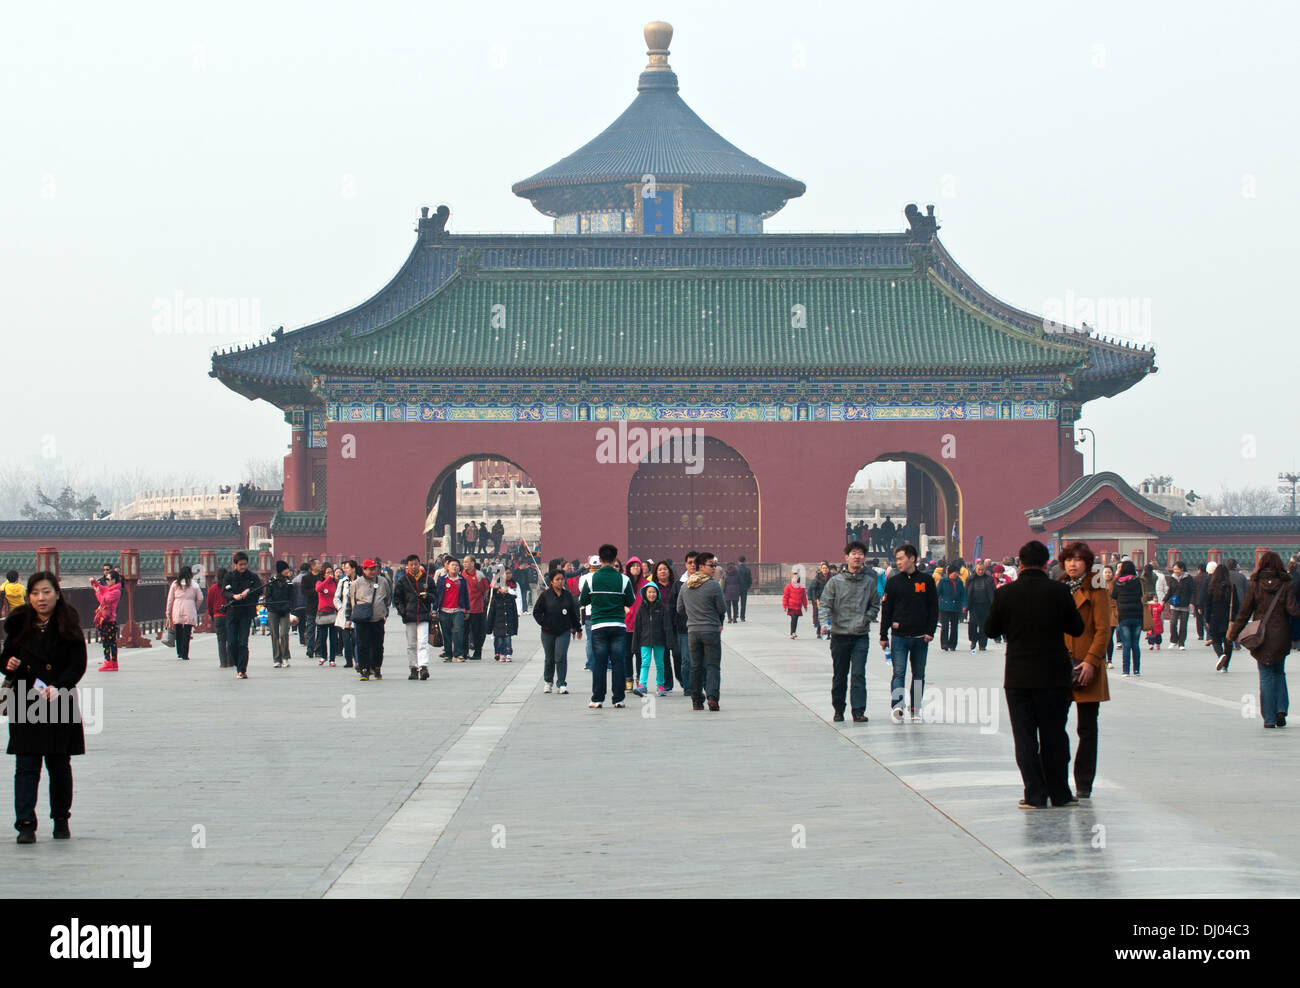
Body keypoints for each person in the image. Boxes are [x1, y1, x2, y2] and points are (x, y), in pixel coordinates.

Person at [983, 540, 1085, 809]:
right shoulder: (1060, 591)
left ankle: (1035, 795)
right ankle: (1060, 793)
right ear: (1045, 563)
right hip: (1054, 675)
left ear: (1020, 562)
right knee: (1054, 735)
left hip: (1018, 676)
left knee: (1025, 738)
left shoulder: (1006, 593)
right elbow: (1077, 628)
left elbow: (990, 630)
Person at [2, 571, 87, 843]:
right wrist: (8, 663)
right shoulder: (18, 624)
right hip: (25, 700)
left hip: (58, 700)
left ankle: (61, 818)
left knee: (59, 764)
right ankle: (25, 823)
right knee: (26, 765)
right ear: (29, 596)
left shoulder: (69, 624)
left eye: (46, 592)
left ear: (57, 594)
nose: (41, 598)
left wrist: (60, 686)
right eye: (36, 593)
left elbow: (78, 664)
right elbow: (5, 657)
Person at [1227, 550, 1300, 729]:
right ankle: (1281, 709)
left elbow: (1244, 612)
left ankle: (1269, 718)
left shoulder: (1255, 584)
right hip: (1281, 634)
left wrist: (1233, 633)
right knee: (1279, 672)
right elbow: (1293, 611)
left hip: (1261, 636)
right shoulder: (1286, 584)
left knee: (1265, 675)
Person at [1060, 542, 1110, 800]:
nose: (1072, 564)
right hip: (1059, 665)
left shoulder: (1097, 588)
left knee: (1087, 728)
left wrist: (1091, 661)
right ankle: (1057, 779)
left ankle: (1083, 783)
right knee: (1055, 726)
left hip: (1086, 665)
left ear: (1087, 563)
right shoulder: (1057, 587)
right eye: (1069, 559)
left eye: (1078, 560)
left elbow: (1103, 629)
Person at [820, 541, 880, 723]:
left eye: (860, 553)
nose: (857, 556)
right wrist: (825, 623)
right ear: (846, 557)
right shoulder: (835, 582)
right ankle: (838, 709)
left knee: (858, 674)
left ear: (864, 557)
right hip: (840, 635)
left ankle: (858, 711)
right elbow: (825, 604)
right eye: (853, 553)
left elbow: (875, 605)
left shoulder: (869, 582)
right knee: (840, 674)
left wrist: (866, 617)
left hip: (860, 635)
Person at [880, 544, 938, 724]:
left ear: (912, 558)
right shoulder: (893, 582)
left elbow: (933, 608)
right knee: (899, 673)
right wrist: (883, 635)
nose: (898, 563)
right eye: (896, 559)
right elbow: (887, 610)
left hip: (921, 637)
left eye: (900, 559)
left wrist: (930, 631)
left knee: (919, 674)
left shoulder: (926, 581)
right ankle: (898, 706)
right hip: (899, 637)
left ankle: (916, 709)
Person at [580, 544, 636, 709]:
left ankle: (597, 698)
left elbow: (583, 601)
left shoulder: (590, 579)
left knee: (600, 663)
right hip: (618, 625)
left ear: (600, 558)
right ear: (615, 558)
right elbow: (630, 602)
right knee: (618, 662)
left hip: (598, 625)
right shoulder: (623, 579)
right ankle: (618, 699)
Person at [676, 551, 727, 711]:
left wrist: (693, 615)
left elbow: (679, 609)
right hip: (711, 630)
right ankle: (712, 697)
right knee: (712, 665)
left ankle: (696, 701)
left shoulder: (686, 585)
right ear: (701, 566)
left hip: (693, 632)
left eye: (714, 565)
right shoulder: (713, 585)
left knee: (696, 666)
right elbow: (722, 608)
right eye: (711, 565)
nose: (714, 568)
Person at [534, 569, 580, 693]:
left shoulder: (567, 596)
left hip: (563, 631)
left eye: (562, 579)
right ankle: (548, 681)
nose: (560, 582)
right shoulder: (545, 596)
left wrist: (578, 628)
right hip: (548, 632)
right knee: (549, 658)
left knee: (560, 656)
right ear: (552, 582)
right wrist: (544, 623)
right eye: (557, 580)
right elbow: (536, 612)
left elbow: (572, 614)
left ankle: (561, 683)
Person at [222, 552, 263, 680]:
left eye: (245, 564)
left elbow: (260, 590)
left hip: (246, 613)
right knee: (232, 643)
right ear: (235, 564)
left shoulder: (252, 577)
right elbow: (225, 591)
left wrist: (248, 591)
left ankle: (242, 670)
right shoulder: (229, 577)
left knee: (243, 643)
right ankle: (237, 665)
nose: (243, 567)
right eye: (241, 564)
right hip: (232, 612)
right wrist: (234, 596)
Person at [393, 555, 434, 680]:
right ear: (407, 566)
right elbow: (397, 598)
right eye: (411, 565)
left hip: (423, 614)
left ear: (419, 564)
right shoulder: (403, 580)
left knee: (423, 642)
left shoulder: (427, 580)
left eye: (416, 564)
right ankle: (413, 667)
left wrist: (428, 597)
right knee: (411, 644)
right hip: (409, 615)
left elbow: (435, 596)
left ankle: (423, 666)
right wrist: (403, 611)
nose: (414, 567)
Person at [350, 559, 391, 680]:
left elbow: (388, 598)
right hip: (362, 619)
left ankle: (376, 667)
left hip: (377, 619)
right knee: (362, 645)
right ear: (364, 569)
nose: (373, 571)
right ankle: (364, 669)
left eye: (374, 568)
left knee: (378, 645)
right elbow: (352, 600)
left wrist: (383, 611)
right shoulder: (356, 583)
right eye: (370, 569)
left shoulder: (383, 581)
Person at [631, 582, 673, 696]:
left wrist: (669, 642)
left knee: (660, 664)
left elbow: (667, 626)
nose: (651, 594)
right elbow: (637, 628)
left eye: (654, 592)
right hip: (645, 641)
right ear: (645, 594)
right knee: (645, 663)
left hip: (660, 641)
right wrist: (635, 645)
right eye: (649, 592)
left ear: (657, 594)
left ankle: (660, 685)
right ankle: (642, 685)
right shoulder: (641, 609)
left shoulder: (662, 608)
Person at [1111, 560, 1145, 677]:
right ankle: (1137, 670)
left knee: (1126, 644)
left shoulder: (1117, 582)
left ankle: (1125, 670)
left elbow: (1113, 596)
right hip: (1137, 614)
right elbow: (1141, 595)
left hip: (1124, 615)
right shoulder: (1137, 581)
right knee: (1135, 643)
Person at [164, 565, 205, 661]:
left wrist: (168, 612)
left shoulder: (175, 584)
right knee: (187, 632)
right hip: (189, 607)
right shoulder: (194, 584)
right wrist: (195, 606)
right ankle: (185, 653)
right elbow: (200, 598)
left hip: (177, 607)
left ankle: (179, 652)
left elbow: (170, 599)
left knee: (178, 631)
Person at [433, 557, 470, 664]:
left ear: (459, 568)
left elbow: (465, 596)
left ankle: (458, 654)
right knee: (446, 633)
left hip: (458, 610)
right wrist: (434, 609)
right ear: (447, 567)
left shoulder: (462, 581)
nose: (454, 567)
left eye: (457, 565)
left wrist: (467, 610)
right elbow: (437, 595)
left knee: (458, 632)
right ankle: (448, 654)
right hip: (444, 611)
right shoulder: (442, 580)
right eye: (452, 565)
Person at [1204, 564, 1239, 673]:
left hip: (1215, 618)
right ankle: (1225, 666)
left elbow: (1208, 605)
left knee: (1216, 640)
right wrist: (1235, 618)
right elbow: (1236, 604)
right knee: (1228, 642)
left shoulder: (1211, 586)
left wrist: (1207, 619)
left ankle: (1220, 655)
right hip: (1228, 619)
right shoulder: (1232, 587)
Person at [673, 552, 698, 692]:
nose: (693, 565)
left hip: (701, 627)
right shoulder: (679, 584)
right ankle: (687, 686)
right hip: (684, 628)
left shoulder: (707, 582)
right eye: (690, 562)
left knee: (701, 660)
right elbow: (674, 606)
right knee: (686, 660)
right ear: (685, 564)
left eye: (695, 562)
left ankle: (700, 685)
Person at [90, 565, 122, 672]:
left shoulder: (115, 592)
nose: (106, 581)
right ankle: (112, 663)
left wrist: (97, 592)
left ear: (114, 580)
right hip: (107, 620)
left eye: (108, 579)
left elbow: (103, 601)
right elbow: (102, 588)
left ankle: (109, 662)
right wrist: (95, 582)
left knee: (108, 642)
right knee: (110, 642)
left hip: (109, 620)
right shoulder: (110, 589)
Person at [622, 557, 647, 688]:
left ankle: (640, 679)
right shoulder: (624, 582)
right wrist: (624, 608)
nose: (636, 568)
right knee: (627, 654)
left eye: (638, 566)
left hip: (641, 625)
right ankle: (628, 679)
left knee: (640, 654)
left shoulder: (646, 583)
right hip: (626, 624)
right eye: (633, 566)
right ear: (628, 568)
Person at [264, 561, 294, 668]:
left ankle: (285, 657)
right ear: (281, 570)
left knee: (284, 634)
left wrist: (288, 607)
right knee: (275, 635)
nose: (288, 571)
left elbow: (292, 597)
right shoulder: (271, 582)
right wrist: (272, 606)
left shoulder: (289, 582)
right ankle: (277, 658)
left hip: (285, 611)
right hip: (273, 611)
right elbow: (268, 596)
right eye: (286, 569)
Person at [486, 573, 519, 662]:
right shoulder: (495, 599)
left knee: (508, 640)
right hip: (498, 624)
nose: (506, 588)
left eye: (506, 586)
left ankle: (508, 653)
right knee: (499, 640)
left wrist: (515, 625)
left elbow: (514, 613)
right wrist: (489, 627)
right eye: (503, 586)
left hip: (508, 622)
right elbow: (491, 614)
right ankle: (501, 653)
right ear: (499, 588)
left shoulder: (511, 599)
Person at [462, 556, 490, 661]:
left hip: (477, 608)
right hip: (465, 608)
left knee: (477, 632)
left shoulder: (479, 575)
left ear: (473, 563)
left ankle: (478, 653)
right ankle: (464, 653)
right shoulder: (462, 574)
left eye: (467, 562)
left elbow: (485, 590)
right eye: (463, 562)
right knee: (464, 632)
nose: (464, 564)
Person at [965, 559, 996, 652]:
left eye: (982, 569)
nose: (980, 571)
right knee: (973, 623)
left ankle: (982, 644)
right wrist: (965, 604)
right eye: (979, 569)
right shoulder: (970, 579)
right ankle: (973, 640)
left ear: (985, 569)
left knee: (984, 626)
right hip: (974, 605)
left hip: (986, 605)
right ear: (976, 569)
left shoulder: (989, 579)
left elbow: (993, 592)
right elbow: (966, 592)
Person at [1163, 561, 1194, 649]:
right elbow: (1170, 591)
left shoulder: (1188, 578)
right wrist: (1164, 601)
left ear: (1182, 569)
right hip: (1174, 604)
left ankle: (1181, 643)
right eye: (1174, 569)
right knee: (1173, 623)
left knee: (1183, 625)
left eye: (1177, 569)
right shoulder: (1172, 578)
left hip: (1185, 604)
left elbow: (1192, 591)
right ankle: (1173, 640)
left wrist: (1192, 602)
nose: (1175, 571)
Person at [937, 563, 967, 651]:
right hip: (945, 607)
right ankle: (944, 643)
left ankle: (953, 644)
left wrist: (964, 605)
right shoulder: (943, 581)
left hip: (956, 607)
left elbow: (963, 594)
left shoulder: (959, 582)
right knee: (945, 626)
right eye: (954, 573)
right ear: (949, 573)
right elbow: (937, 593)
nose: (956, 574)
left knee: (954, 627)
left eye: (957, 573)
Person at [315, 565, 340, 667]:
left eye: (331, 572)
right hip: (322, 612)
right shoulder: (320, 582)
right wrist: (328, 580)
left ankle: (332, 658)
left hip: (332, 612)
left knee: (333, 637)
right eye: (328, 572)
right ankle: (323, 656)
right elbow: (318, 589)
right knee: (322, 637)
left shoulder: (335, 584)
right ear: (323, 574)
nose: (330, 574)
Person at [334, 561, 357, 669]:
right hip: (344, 614)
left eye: (348, 568)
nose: (346, 570)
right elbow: (336, 597)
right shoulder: (342, 582)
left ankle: (356, 658)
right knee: (346, 639)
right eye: (345, 568)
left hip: (357, 613)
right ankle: (348, 661)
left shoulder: (360, 581)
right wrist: (340, 607)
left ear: (353, 569)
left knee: (355, 639)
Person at [208, 567, 229, 668]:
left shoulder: (213, 588)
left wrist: (212, 615)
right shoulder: (229, 588)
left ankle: (223, 662)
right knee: (230, 639)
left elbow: (209, 604)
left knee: (221, 641)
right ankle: (230, 661)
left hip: (218, 616)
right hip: (229, 616)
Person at [809, 561, 831, 640]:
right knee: (820, 617)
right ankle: (819, 631)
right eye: (823, 568)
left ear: (828, 569)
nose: (825, 569)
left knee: (829, 617)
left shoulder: (832, 578)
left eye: (826, 568)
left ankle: (828, 633)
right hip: (820, 600)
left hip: (829, 600)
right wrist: (815, 599)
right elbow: (814, 590)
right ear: (821, 569)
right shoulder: (817, 578)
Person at [782, 570, 808, 639]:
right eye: (793, 578)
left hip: (798, 606)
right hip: (791, 606)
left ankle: (793, 632)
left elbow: (804, 597)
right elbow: (785, 597)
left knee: (795, 619)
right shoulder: (788, 587)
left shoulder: (801, 588)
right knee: (793, 618)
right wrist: (785, 605)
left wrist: (805, 606)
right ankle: (792, 633)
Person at [1192, 562, 1209, 642]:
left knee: (1199, 619)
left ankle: (1200, 635)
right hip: (1207, 601)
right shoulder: (1208, 577)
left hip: (1197, 601)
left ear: (1199, 570)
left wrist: (1192, 601)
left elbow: (1193, 591)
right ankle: (1208, 634)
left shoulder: (1195, 578)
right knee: (1207, 618)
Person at [737, 556, 753, 622]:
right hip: (744, 588)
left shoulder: (736, 569)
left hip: (737, 588)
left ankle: (735, 614)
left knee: (735, 602)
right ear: (745, 561)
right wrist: (748, 586)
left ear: (738, 561)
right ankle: (742, 617)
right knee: (743, 603)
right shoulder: (747, 569)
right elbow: (750, 579)